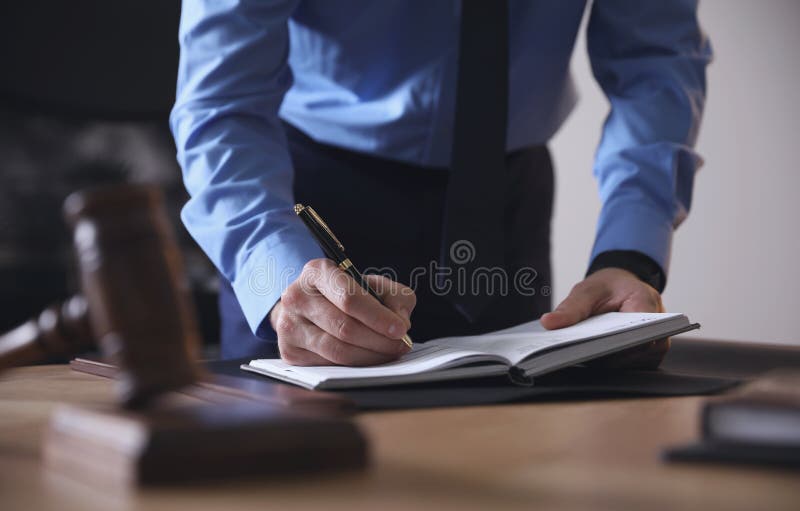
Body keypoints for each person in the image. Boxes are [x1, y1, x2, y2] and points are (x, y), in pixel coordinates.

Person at [171, 1, 711, 365]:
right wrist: (274, 265)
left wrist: (629, 253)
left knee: (510, 468)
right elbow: (221, 102)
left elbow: (655, 61)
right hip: (304, 215)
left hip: (503, 212)